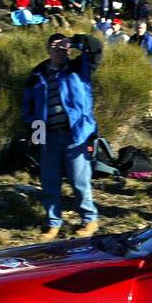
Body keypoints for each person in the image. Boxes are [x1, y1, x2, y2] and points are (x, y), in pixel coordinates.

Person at [21, 32, 104, 241]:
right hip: (48, 136)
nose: (59, 50)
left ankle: (89, 219)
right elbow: (29, 107)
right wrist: (36, 138)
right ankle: (53, 224)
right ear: (47, 49)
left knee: (79, 180)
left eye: (63, 47)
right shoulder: (37, 74)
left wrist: (75, 40)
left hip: (76, 135)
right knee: (49, 182)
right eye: (54, 46)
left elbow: (96, 48)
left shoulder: (79, 68)